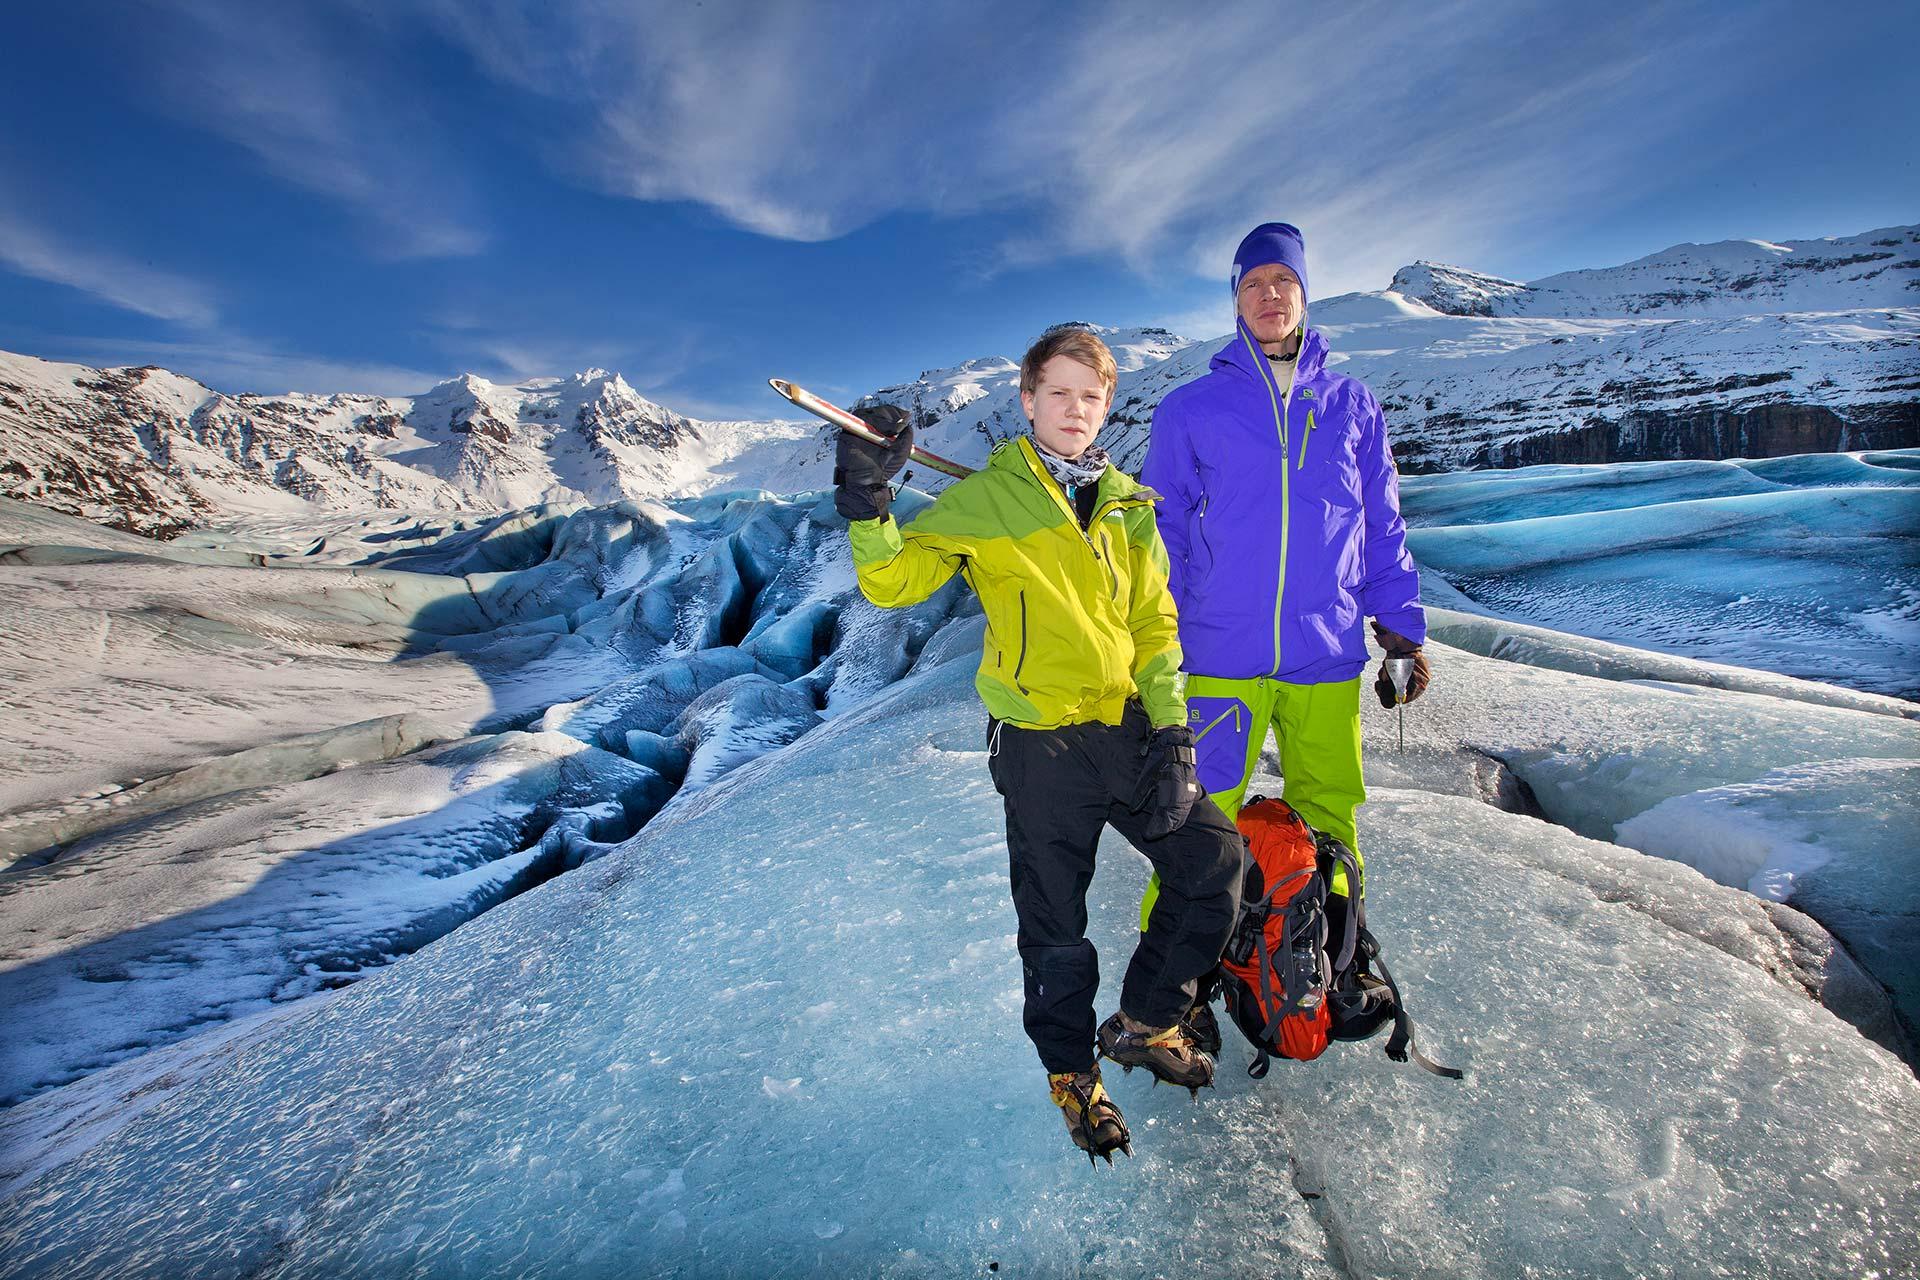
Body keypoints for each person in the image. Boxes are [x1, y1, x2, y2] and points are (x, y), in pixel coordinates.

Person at [836, 325, 1243, 1164]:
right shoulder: (988, 499)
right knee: (1056, 927)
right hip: (1039, 744)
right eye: (1059, 393)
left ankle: (1146, 1018)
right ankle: (1070, 1075)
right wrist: (870, 505)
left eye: (1090, 397)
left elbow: (1155, 627)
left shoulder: (1128, 507)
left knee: (1214, 869)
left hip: (1127, 728)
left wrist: (1171, 731)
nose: (1076, 410)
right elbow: (893, 581)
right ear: (1028, 401)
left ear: (1106, 406)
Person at [1139, 222, 1431, 943]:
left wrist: (1399, 627)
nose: (1270, 295)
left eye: (1284, 282)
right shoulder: (1190, 408)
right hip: (1217, 660)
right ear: (1234, 302)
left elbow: (1379, 522)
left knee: (1330, 818)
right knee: (1196, 827)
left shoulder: (1351, 404)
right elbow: (1161, 536)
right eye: (1253, 284)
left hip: (1324, 654)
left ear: (1304, 294)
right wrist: (1148, 640)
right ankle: (1171, 1003)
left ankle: (1326, 962)